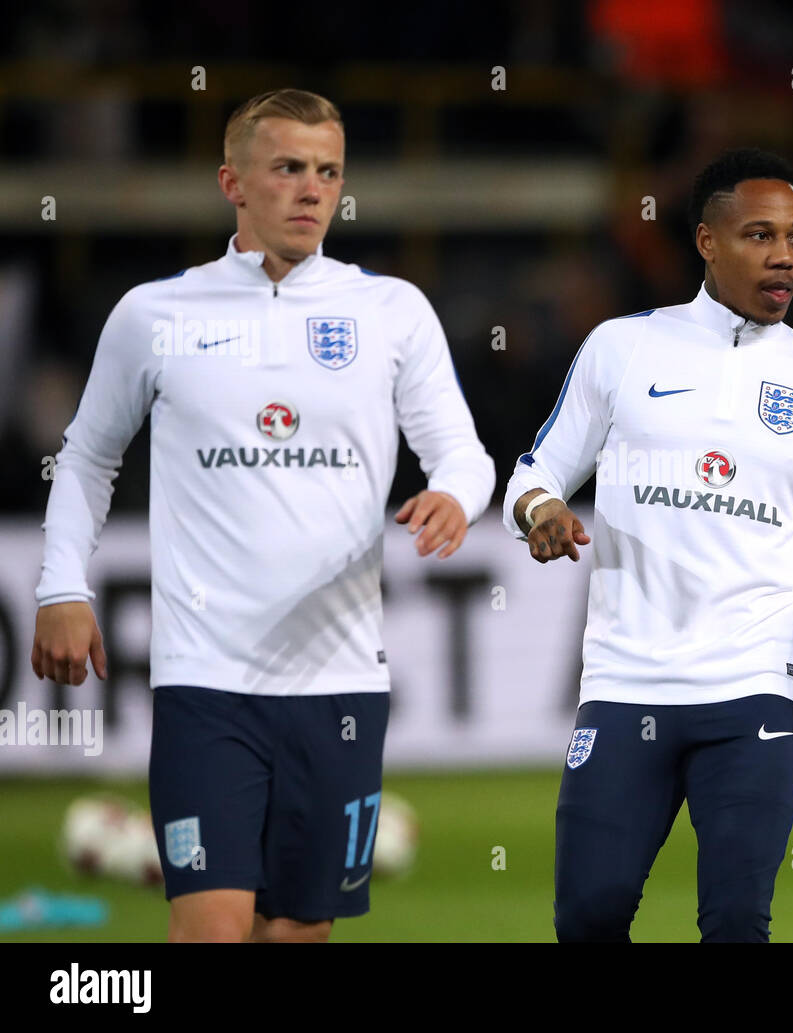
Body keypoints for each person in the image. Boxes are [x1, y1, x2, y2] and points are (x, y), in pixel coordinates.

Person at [30, 89, 495, 942]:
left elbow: (464, 453)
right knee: (212, 929)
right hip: (206, 680)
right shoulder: (155, 315)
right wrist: (60, 586)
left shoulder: (390, 312)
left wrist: (454, 497)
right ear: (232, 182)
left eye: (327, 172)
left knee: (296, 933)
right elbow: (89, 456)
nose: (312, 190)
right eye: (287, 168)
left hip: (341, 684)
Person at [503, 148, 793, 942]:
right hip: (627, 678)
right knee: (589, 913)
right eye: (760, 234)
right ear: (708, 242)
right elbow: (532, 472)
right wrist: (540, 509)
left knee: (736, 921)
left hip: (756, 680)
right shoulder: (623, 348)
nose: (784, 255)